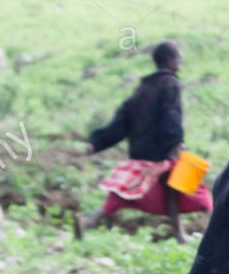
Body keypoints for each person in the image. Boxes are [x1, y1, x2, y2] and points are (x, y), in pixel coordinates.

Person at [79, 40, 211, 243]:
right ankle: (206, 231)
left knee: (148, 191)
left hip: (141, 151)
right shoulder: (170, 83)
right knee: (189, 189)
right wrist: (176, 141)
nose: (180, 64)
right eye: (179, 60)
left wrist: (97, 142)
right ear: (169, 61)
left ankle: (88, 222)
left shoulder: (143, 87)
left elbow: (122, 121)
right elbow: (171, 114)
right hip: (162, 150)